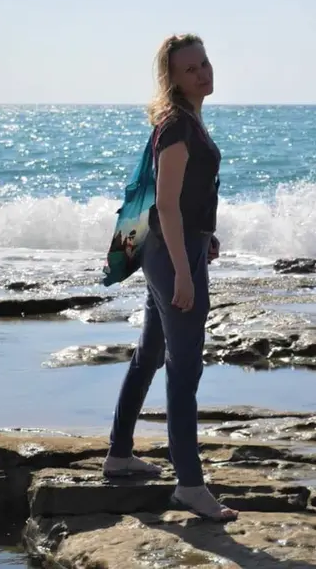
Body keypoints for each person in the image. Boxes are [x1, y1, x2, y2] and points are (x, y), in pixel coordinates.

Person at [103, 33, 238, 522]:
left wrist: (205, 236)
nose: (203, 73)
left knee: (151, 354)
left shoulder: (186, 119)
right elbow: (164, 204)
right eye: (190, 69)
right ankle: (189, 485)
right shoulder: (178, 125)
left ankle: (119, 455)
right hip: (172, 257)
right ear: (173, 78)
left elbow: (185, 199)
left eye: (204, 63)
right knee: (185, 367)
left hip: (177, 249)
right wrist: (184, 270)